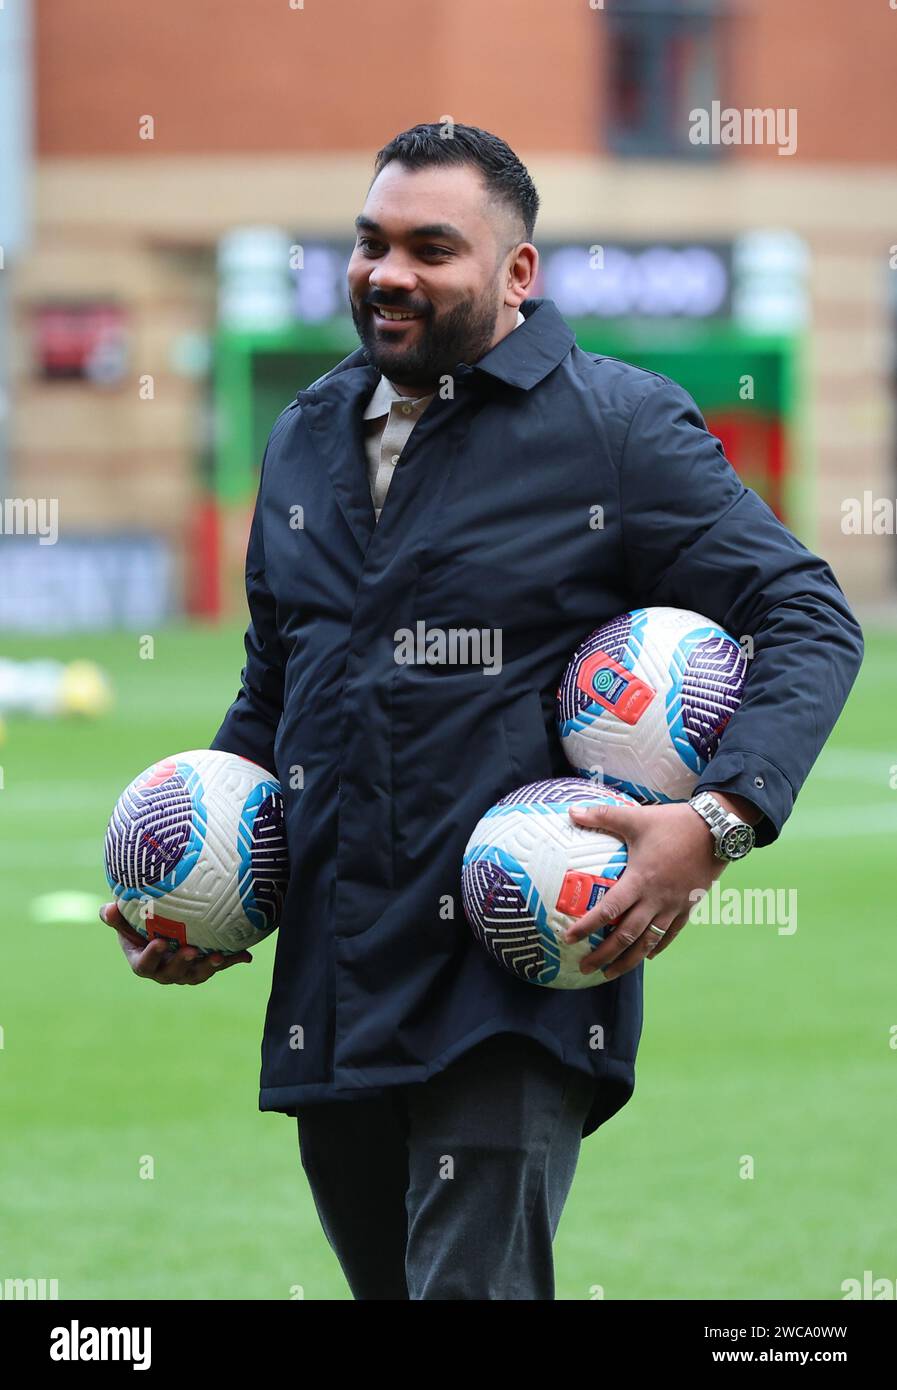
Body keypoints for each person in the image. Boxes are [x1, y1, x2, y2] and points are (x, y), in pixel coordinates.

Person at [102, 122, 864, 1300]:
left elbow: (806, 612)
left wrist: (716, 822)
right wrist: (208, 885)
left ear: (518, 274)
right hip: (333, 980)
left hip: (513, 965)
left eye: (430, 247)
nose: (388, 272)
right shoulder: (306, 431)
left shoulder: (614, 427)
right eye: (370, 243)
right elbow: (276, 687)